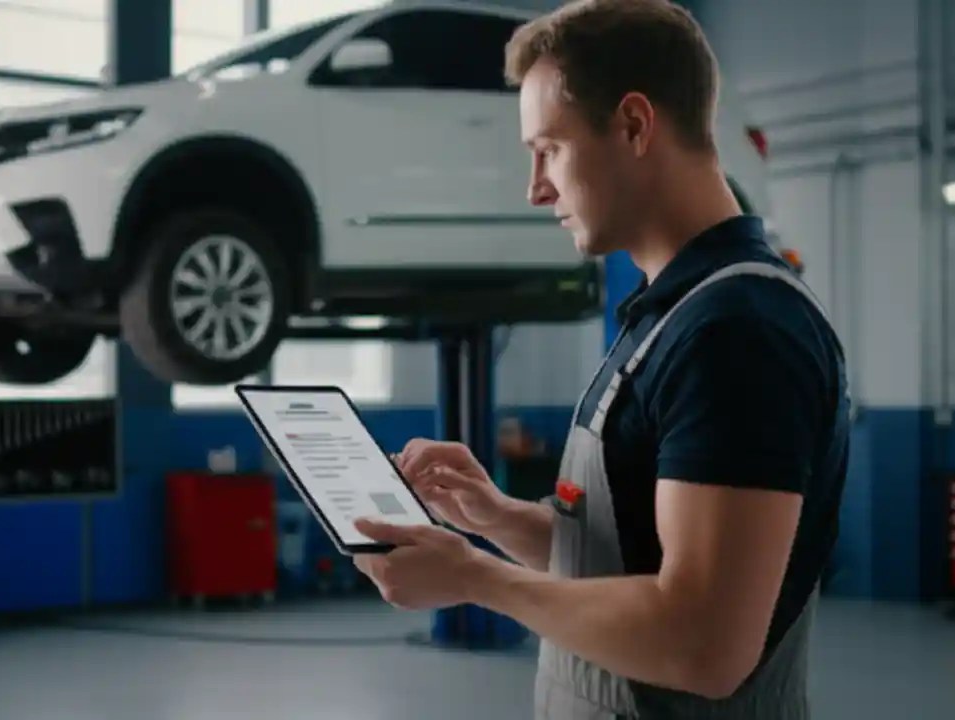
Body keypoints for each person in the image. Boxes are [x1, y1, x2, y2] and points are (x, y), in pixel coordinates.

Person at [351, 0, 850, 718]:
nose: (536, 188)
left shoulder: (738, 331)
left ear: (635, 126)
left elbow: (704, 642)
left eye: (548, 148)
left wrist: (476, 579)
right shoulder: (668, 316)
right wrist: (495, 518)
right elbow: (631, 555)